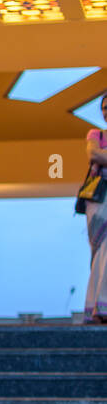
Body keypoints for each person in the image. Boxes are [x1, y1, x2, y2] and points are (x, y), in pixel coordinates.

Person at [81, 97, 107, 323]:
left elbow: (101, 156)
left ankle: (98, 306)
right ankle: (100, 307)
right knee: (101, 249)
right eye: (105, 108)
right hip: (100, 199)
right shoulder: (96, 135)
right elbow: (94, 155)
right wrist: (100, 157)